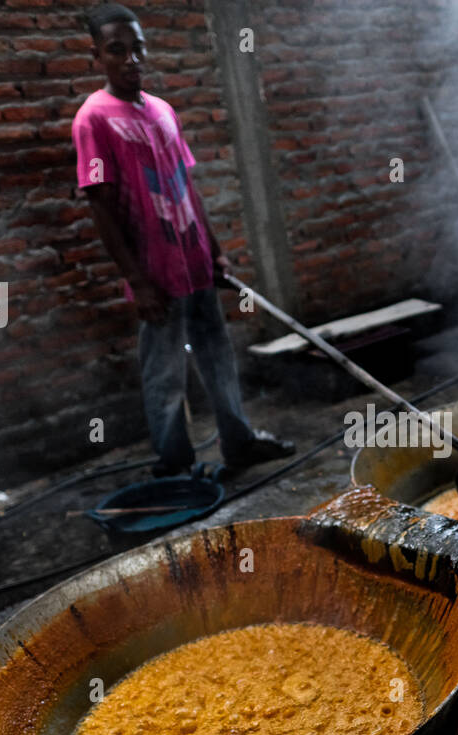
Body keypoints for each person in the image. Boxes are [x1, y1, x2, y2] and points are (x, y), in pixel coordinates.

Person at [73, 2, 294, 475]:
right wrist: (138, 281)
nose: (132, 60)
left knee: (218, 356)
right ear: (97, 55)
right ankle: (174, 466)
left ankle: (240, 442)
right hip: (155, 274)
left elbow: (187, 186)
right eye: (118, 51)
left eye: (138, 48)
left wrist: (214, 251)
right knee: (165, 373)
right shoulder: (93, 119)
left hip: (194, 262)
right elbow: (100, 207)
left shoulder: (163, 111)